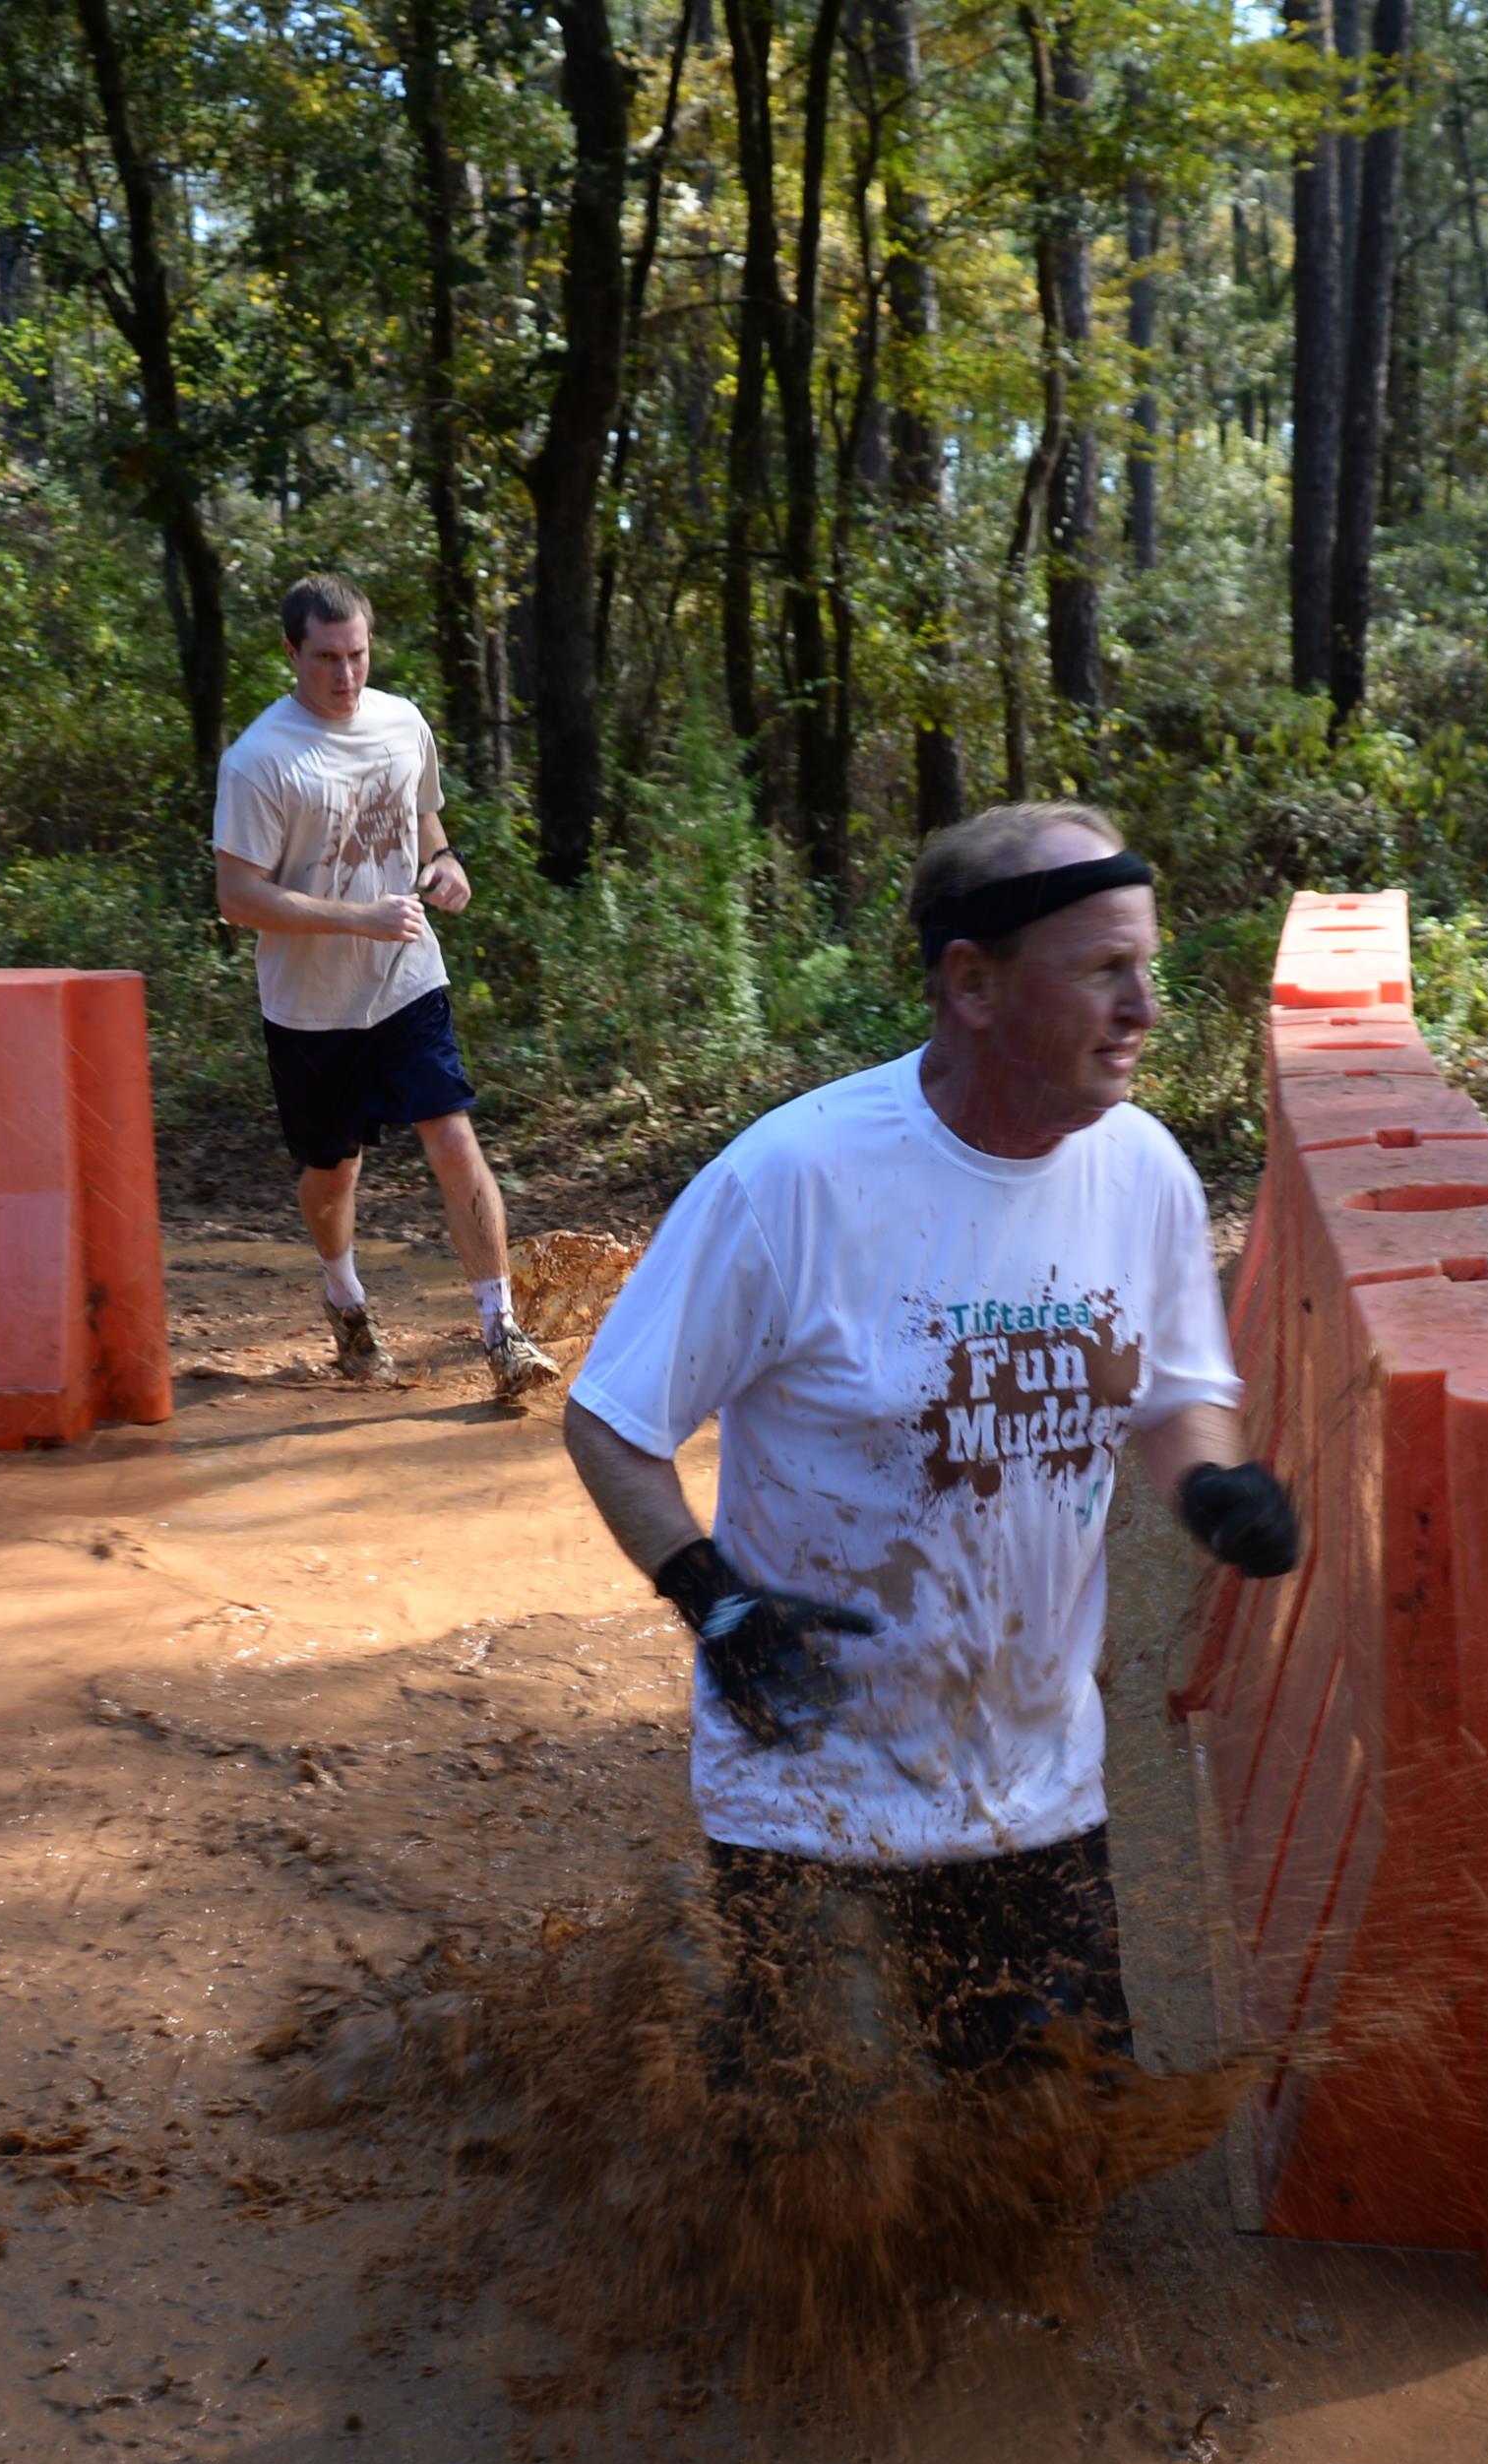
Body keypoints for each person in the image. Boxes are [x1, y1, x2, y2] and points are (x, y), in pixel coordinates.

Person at [561, 802, 1306, 2080]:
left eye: (1149, 967)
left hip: (1036, 1786)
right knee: (823, 2169)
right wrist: (715, 1604)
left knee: (1055, 2158)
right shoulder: (792, 1181)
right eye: (1102, 971)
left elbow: (1177, 1394)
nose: (1146, 1007)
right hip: (810, 1785)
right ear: (973, 981)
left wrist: (1215, 1484)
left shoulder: (1143, 1173)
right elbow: (611, 1421)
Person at [212, 573, 560, 1401]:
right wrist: (354, 918)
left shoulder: (403, 723)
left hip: (406, 978)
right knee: (333, 1171)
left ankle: (500, 1330)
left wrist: (445, 864)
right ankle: (344, 1294)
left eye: (358, 654)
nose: (346, 675)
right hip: (309, 1006)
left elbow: (424, 818)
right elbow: (237, 896)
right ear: (292, 652)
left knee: (452, 1136)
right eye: (327, 658)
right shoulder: (261, 759)